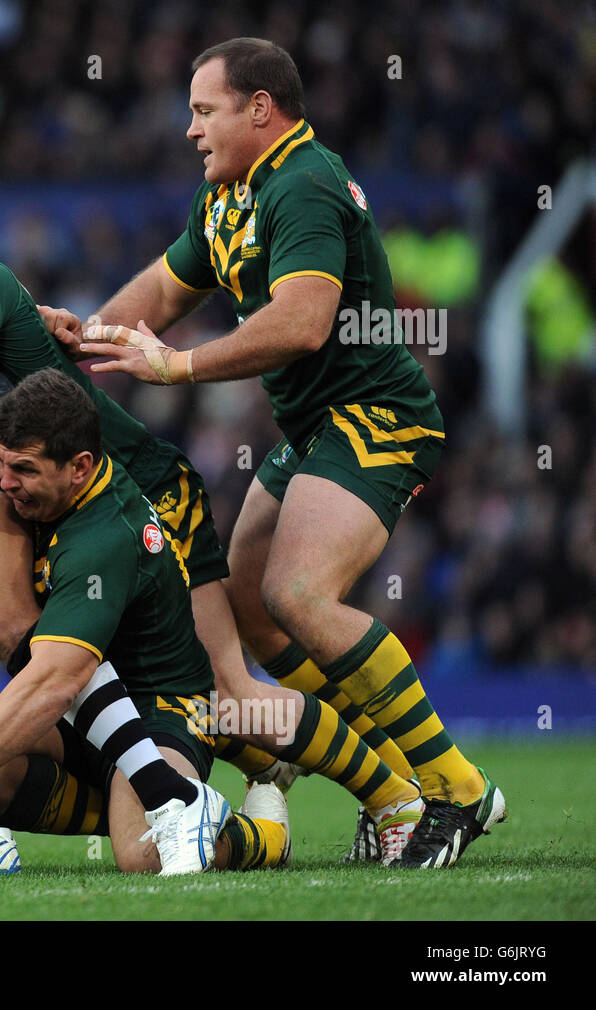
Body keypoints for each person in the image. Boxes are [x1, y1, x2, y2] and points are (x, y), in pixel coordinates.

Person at [0, 185, 425, 863]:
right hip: (59, 509)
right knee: (120, 729)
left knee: (227, 694)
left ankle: (393, 796)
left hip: (137, 489)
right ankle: (172, 807)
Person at [78, 37, 505, 868]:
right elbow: (164, 291)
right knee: (247, 602)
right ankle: (393, 785)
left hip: (376, 416)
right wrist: (82, 340)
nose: (192, 131)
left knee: (299, 593)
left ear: (260, 109)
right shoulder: (230, 196)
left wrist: (183, 366)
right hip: (316, 428)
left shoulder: (304, 184)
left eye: (205, 112)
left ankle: (456, 788)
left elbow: (305, 320)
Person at [0, 368, 293, 874]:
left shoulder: (103, 538)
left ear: (80, 467)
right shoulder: (56, 492)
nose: (5, 483)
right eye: (2, 464)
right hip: (88, 715)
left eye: (22, 469)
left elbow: (58, 681)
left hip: (162, 708)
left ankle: (264, 835)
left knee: (142, 856)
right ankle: (129, 807)